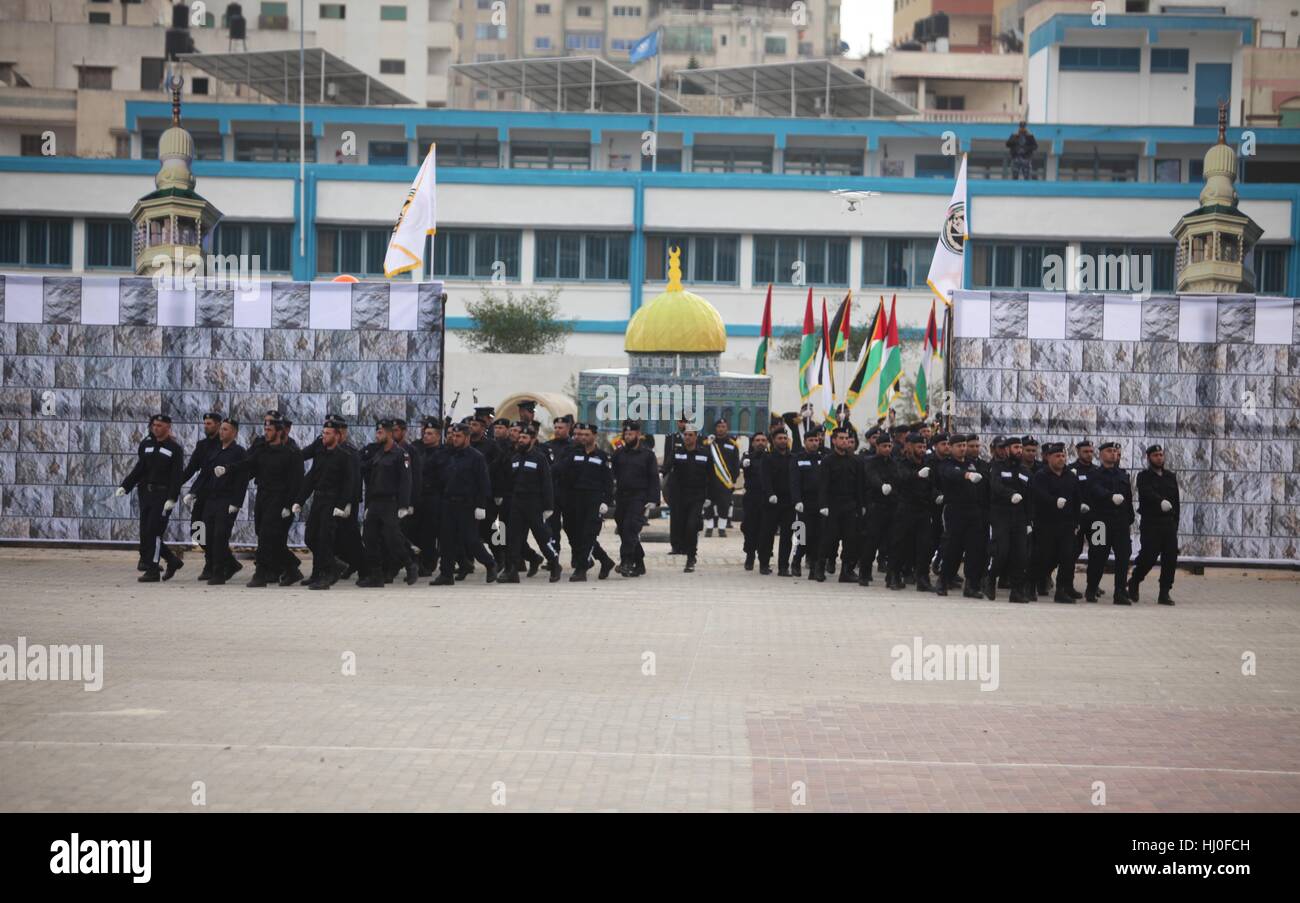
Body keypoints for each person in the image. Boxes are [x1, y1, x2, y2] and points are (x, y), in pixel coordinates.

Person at [218, 415, 305, 588]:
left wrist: (289, 505)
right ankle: (291, 567)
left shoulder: (291, 453)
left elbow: (296, 482)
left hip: (279, 498)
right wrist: (228, 469)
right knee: (265, 535)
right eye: (265, 429)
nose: (266, 433)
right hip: (263, 496)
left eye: (270, 430)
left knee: (266, 536)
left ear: (279, 432)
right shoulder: (262, 449)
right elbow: (248, 463)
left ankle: (261, 574)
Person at [117, 414, 185, 582]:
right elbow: (140, 468)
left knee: (154, 533)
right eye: (154, 425)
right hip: (146, 494)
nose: (156, 428)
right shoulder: (146, 445)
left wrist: (172, 498)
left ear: (168, 428)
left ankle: (153, 570)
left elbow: (177, 476)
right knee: (146, 533)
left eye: (160, 425)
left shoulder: (174, 449)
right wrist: (126, 486)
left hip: (162, 496)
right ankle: (172, 560)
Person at [432, 423, 498, 586]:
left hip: (467, 505)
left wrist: (481, 506)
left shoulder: (476, 457)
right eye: (453, 436)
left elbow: (483, 483)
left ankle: (490, 563)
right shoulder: (449, 455)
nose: (455, 439)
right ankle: (446, 574)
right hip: (448, 503)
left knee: (471, 540)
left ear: (467, 437)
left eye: (458, 436)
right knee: (446, 540)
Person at [294, 417, 355, 590]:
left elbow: (349, 482)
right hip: (319, 499)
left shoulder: (344, 456)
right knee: (310, 537)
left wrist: (343, 505)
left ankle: (328, 574)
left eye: (327, 434)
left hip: (332, 501)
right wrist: (299, 500)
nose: (324, 436)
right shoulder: (321, 452)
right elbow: (311, 477)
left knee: (324, 539)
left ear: (337, 435)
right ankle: (326, 568)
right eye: (323, 433)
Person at [356, 419, 418, 588]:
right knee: (369, 537)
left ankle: (410, 565)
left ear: (390, 433)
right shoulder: (379, 453)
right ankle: (376, 575)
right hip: (376, 502)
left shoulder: (401, 454)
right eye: (377, 432)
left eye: (380, 432)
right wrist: (368, 505)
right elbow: (371, 480)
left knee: (393, 539)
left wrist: (404, 505)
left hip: (390, 502)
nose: (377, 435)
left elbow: (406, 481)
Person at [501, 425, 562, 584]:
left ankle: (554, 563)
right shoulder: (515, 458)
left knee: (542, 537)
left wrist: (549, 507)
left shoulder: (539, 458)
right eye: (520, 438)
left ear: (533, 440)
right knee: (513, 538)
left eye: (525, 438)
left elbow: (547, 483)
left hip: (534, 504)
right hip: (517, 503)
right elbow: (509, 482)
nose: (521, 441)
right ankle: (512, 571)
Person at [1029, 442, 1082, 603]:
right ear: (1049, 458)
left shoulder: (1070, 476)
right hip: (1046, 524)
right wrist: (1053, 501)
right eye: (1057, 456)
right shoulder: (1041, 475)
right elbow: (1038, 496)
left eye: (1063, 456)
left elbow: (1076, 500)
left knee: (1067, 558)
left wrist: (1076, 522)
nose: (1061, 459)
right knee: (1042, 557)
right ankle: (1030, 586)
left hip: (1066, 525)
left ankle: (1062, 590)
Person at [563, 422, 616, 581]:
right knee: (577, 534)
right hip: (576, 500)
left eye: (587, 435)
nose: (584, 438)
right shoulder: (574, 453)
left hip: (594, 500)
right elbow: (565, 475)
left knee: (588, 534)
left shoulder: (602, 456)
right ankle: (605, 561)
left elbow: (608, 481)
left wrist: (606, 501)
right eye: (582, 435)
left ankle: (581, 569)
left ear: (594, 436)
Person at [199, 418, 249, 586]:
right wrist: (193, 492)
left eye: (226, 430)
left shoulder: (239, 453)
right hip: (211, 499)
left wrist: (236, 503)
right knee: (205, 535)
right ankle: (230, 564)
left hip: (226, 500)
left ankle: (218, 572)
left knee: (220, 536)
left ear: (234, 433)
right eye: (221, 429)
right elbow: (204, 474)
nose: (222, 432)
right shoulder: (214, 451)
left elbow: (242, 479)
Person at [936, 434, 986, 599]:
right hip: (955, 510)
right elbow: (951, 474)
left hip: (973, 511)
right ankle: (943, 581)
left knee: (974, 550)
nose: (963, 448)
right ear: (950, 447)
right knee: (952, 548)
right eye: (959, 446)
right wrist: (967, 476)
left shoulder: (972, 464)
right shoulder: (946, 464)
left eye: (964, 445)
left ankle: (971, 585)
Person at [1128, 444, 1180, 605]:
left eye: (1161, 455)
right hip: (1151, 523)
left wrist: (1175, 523)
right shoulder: (1144, 476)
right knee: (1148, 557)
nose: (1159, 458)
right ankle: (1135, 581)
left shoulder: (1170, 476)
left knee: (1170, 559)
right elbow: (1146, 492)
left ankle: (1164, 592)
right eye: (1155, 455)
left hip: (1168, 524)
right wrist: (1160, 502)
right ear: (1149, 458)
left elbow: (1176, 502)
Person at [1084, 440, 1134, 605]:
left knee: (1123, 557)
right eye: (1109, 451)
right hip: (1100, 522)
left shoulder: (1123, 475)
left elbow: (1128, 497)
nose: (1113, 454)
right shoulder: (1094, 474)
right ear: (1101, 454)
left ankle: (1120, 591)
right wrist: (1109, 497)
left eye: (1115, 451)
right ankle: (1091, 588)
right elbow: (1095, 490)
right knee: (1098, 556)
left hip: (1120, 522)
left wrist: (1130, 517)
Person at [610, 419, 661, 577]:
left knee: (631, 527)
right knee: (624, 529)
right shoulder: (619, 454)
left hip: (639, 497)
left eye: (630, 434)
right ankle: (640, 563)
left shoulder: (647, 455)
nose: (627, 436)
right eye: (625, 434)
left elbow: (653, 477)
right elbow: (613, 475)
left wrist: (653, 499)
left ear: (638, 434)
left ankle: (626, 561)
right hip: (622, 497)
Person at [984, 436, 1030, 603]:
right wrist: (1010, 494)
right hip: (1000, 515)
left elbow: (1030, 497)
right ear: (1007, 449)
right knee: (1001, 552)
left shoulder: (1025, 471)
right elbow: (995, 486)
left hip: (1019, 518)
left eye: (1020, 447)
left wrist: (1029, 521)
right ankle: (990, 579)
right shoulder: (997, 467)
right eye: (1015, 447)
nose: (1019, 450)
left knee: (1020, 555)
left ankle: (1017, 591)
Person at [887, 432, 935, 593]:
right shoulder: (901, 463)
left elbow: (933, 485)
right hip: (905, 508)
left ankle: (922, 578)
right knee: (900, 544)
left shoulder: (927, 464)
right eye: (919, 447)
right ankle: (894, 575)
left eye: (924, 447)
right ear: (910, 447)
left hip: (923, 510)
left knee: (924, 546)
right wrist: (916, 475)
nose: (922, 450)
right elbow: (900, 477)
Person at [816, 426, 863, 584]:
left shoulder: (855, 461)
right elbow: (823, 484)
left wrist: (860, 505)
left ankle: (846, 571)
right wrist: (823, 505)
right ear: (834, 440)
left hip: (849, 506)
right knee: (829, 539)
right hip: (832, 506)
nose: (844, 441)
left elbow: (859, 486)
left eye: (846, 438)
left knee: (851, 540)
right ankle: (820, 568)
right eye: (841, 438)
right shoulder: (827, 461)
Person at [662, 426, 710, 573]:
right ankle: (683, 547)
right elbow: (665, 468)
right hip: (679, 496)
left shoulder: (704, 454)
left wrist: (709, 496)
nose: (687, 437)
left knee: (691, 525)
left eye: (690, 435)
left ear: (696, 437)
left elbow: (711, 476)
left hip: (697, 496)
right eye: (686, 435)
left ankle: (691, 557)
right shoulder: (677, 453)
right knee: (681, 527)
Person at [179, 411, 221, 578]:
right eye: (205, 423)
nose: (206, 426)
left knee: (212, 531)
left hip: (217, 494)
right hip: (202, 493)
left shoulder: (224, 444)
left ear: (218, 425)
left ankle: (212, 563)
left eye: (209, 423)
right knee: (197, 530)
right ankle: (219, 559)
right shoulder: (202, 445)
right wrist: (176, 483)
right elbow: (192, 468)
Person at [859, 431, 896, 587]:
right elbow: (871, 476)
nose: (887, 449)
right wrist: (881, 486)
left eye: (889, 446)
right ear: (877, 446)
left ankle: (892, 576)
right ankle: (864, 574)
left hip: (891, 507)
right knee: (871, 542)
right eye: (884, 446)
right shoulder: (870, 461)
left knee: (892, 543)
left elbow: (898, 477)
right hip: (875, 506)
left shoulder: (894, 462)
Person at [789, 427, 825, 582]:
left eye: (816, 440)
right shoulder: (798, 459)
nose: (814, 443)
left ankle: (815, 568)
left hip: (820, 503)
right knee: (804, 534)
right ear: (805, 442)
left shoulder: (824, 459)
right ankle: (796, 560)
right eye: (811, 441)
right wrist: (797, 501)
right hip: (804, 503)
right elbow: (794, 482)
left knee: (818, 536)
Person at [758, 427, 794, 576]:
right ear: (773, 441)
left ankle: (783, 567)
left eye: (785, 438)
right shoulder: (767, 458)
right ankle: (764, 564)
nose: (783, 441)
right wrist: (770, 494)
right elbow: (765, 478)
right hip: (772, 502)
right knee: (767, 534)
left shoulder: (792, 458)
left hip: (788, 502)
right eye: (780, 438)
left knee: (787, 536)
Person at [703, 418, 741, 537]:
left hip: (725, 481)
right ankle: (709, 527)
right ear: (715, 428)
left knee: (724, 505)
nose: (721, 429)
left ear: (727, 428)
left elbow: (736, 464)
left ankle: (721, 528)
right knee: (708, 505)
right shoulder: (708, 443)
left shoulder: (732, 444)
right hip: (709, 480)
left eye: (723, 426)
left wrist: (733, 480)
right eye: (719, 426)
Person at [740, 432, 769, 571]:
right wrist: (744, 464)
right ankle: (750, 554)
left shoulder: (770, 458)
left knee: (765, 530)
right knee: (749, 528)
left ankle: (764, 561)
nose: (760, 443)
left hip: (767, 499)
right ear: (752, 443)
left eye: (763, 440)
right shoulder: (747, 457)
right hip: (751, 498)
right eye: (757, 440)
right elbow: (742, 464)